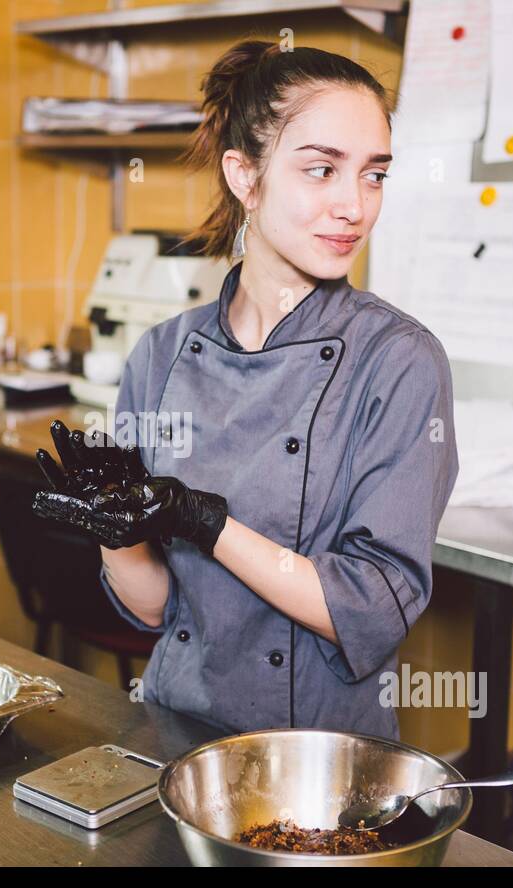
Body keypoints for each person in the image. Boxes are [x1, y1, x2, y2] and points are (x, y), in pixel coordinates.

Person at [32, 39, 459, 737]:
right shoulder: (161, 356)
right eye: (322, 170)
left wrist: (207, 523)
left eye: (374, 175)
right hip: (177, 734)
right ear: (245, 176)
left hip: (318, 761)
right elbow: (155, 610)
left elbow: (376, 607)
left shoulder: (398, 361)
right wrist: (114, 534)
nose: (354, 205)